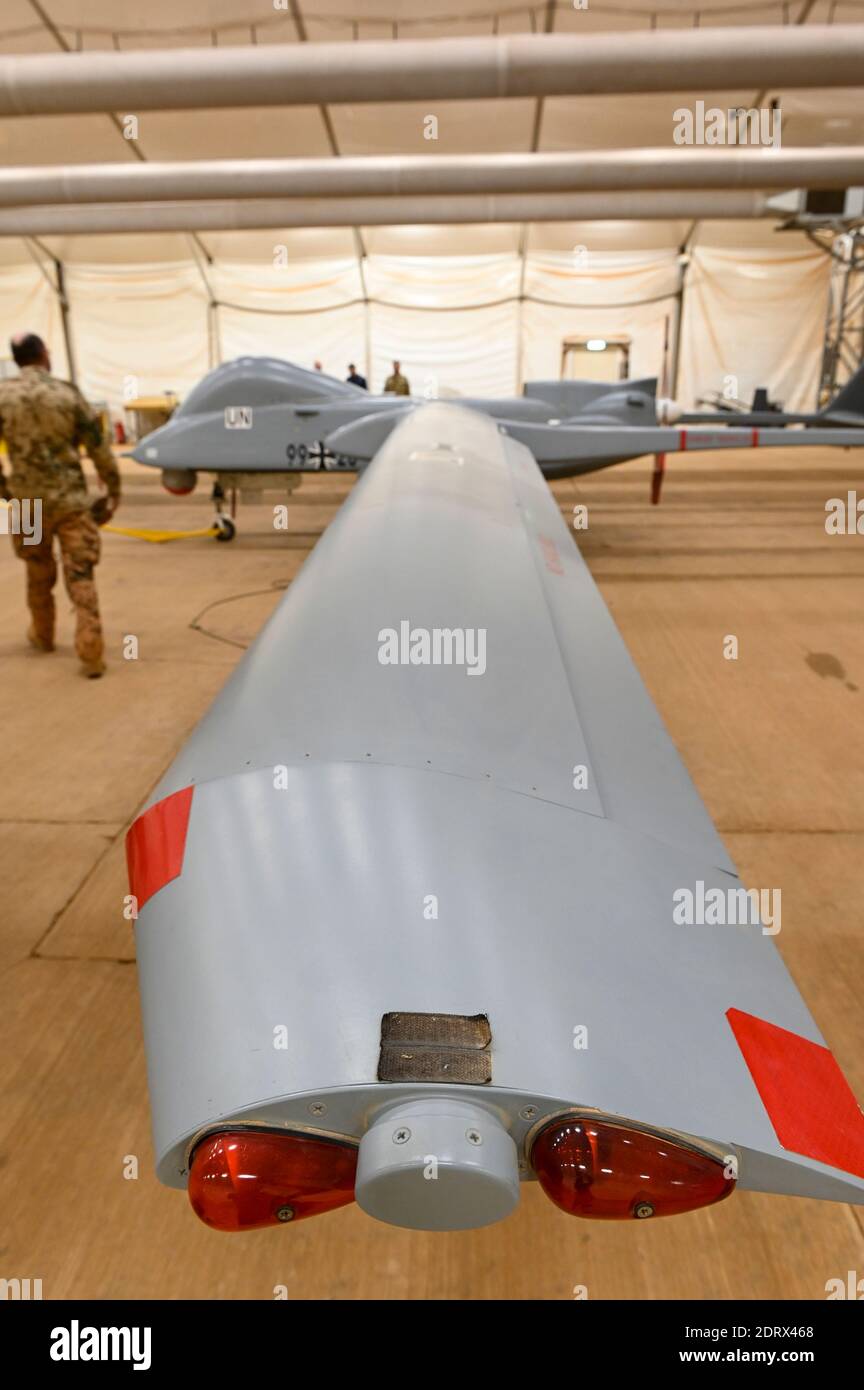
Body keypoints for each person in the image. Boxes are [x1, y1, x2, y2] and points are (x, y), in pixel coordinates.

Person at [0, 333, 121, 678]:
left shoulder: (2, 395)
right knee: (80, 573)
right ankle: (91, 652)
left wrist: (4, 491)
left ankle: (43, 634)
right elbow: (99, 448)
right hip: (69, 502)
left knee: (37, 570)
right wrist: (113, 489)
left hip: (27, 506)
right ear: (42, 354)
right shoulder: (66, 393)